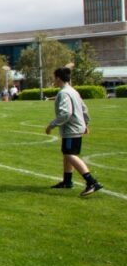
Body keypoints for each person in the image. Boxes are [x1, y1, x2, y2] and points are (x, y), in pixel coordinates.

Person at [45, 67, 103, 197]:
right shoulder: (73, 91)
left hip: (71, 129)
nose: (54, 80)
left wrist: (51, 125)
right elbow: (84, 109)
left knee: (70, 154)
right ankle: (67, 181)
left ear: (58, 78)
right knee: (67, 154)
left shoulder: (64, 93)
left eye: (54, 78)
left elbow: (66, 113)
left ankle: (92, 182)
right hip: (76, 128)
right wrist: (85, 124)